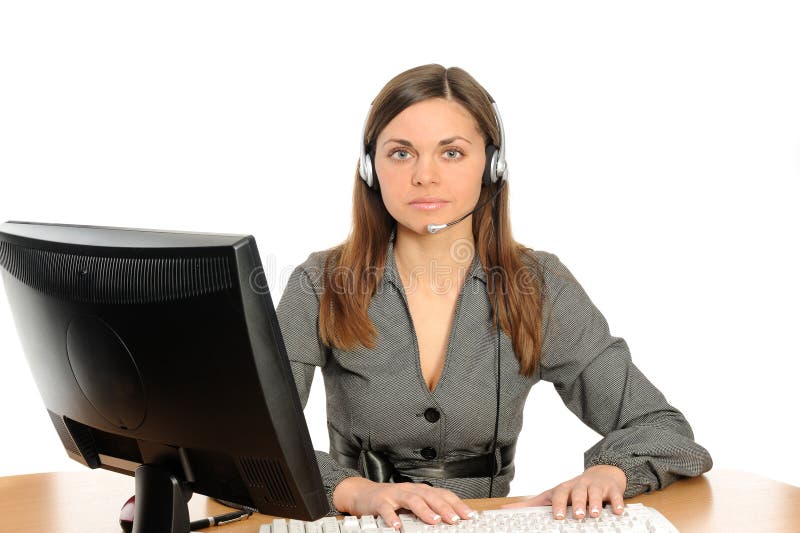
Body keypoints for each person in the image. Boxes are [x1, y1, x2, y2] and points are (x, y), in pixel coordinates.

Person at [275, 64, 712, 529]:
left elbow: (662, 429)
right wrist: (353, 490)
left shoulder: (539, 286)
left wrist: (610, 472)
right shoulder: (320, 283)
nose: (424, 175)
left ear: (491, 165)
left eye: (452, 153)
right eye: (401, 153)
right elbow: (254, 444)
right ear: (370, 167)